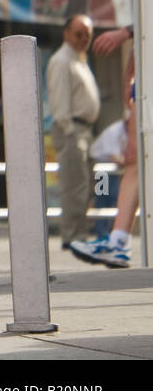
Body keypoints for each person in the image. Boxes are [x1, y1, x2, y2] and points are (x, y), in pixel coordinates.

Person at [70, 24, 138, 267]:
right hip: (103, 167)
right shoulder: (117, 129)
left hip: (109, 167)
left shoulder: (122, 127)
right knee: (103, 198)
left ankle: (112, 238)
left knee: (118, 186)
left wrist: (126, 33)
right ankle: (109, 236)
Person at [45, 14, 101, 251]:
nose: (83, 39)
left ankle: (79, 233)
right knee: (74, 184)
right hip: (72, 129)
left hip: (84, 130)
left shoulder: (79, 58)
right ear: (66, 34)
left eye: (87, 35)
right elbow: (59, 104)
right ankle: (72, 235)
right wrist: (69, 131)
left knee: (86, 183)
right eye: (79, 34)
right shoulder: (62, 60)